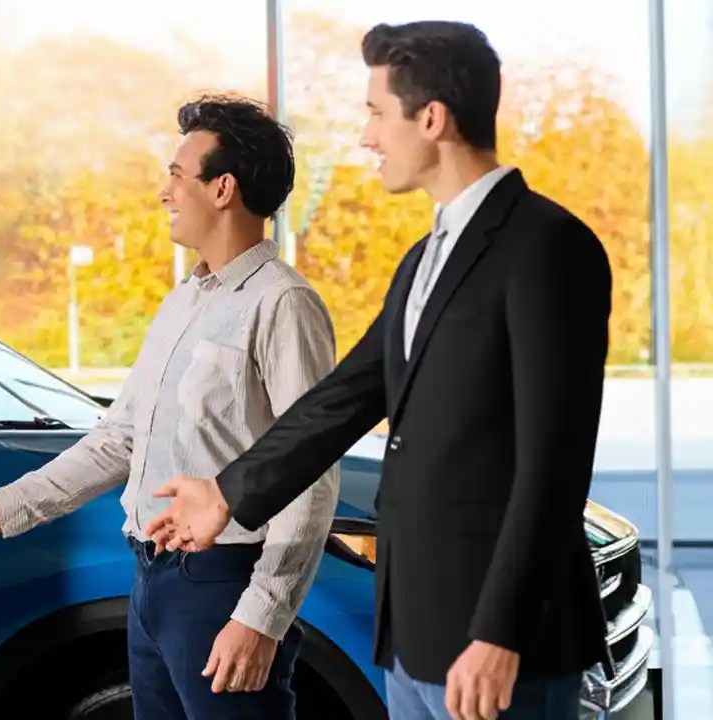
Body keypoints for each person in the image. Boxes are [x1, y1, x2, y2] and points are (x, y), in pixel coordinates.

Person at [144, 21, 613, 720]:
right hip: (418, 634)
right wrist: (226, 495)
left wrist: (499, 631)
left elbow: (555, 466)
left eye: (374, 113)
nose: (366, 137)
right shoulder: (423, 260)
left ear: (431, 118)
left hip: (501, 644)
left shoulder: (548, 249)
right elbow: (343, 400)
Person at [0, 95, 340, 720]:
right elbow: (117, 442)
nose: (164, 192)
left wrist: (262, 617)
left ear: (223, 189)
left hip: (225, 586)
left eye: (175, 175)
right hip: (152, 582)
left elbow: (311, 476)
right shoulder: (183, 303)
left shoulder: (282, 304)